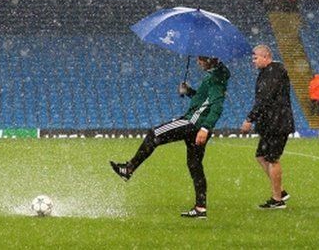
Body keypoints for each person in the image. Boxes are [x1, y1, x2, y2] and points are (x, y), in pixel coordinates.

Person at [111, 57, 230, 219]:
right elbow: (204, 101)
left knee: (154, 134)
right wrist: (189, 92)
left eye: (201, 59)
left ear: (210, 60)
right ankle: (200, 208)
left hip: (193, 122)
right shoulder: (215, 75)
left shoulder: (215, 78)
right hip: (197, 123)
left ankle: (129, 168)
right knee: (195, 165)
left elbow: (217, 105)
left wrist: (205, 127)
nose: (198, 61)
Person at [241, 44, 295, 209]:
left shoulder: (274, 71)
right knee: (261, 156)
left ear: (266, 57)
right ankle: (281, 191)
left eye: (255, 58)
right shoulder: (267, 72)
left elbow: (264, 99)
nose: (253, 61)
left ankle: (277, 200)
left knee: (272, 159)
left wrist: (250, 119)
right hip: (270, 123)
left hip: (278, 122)